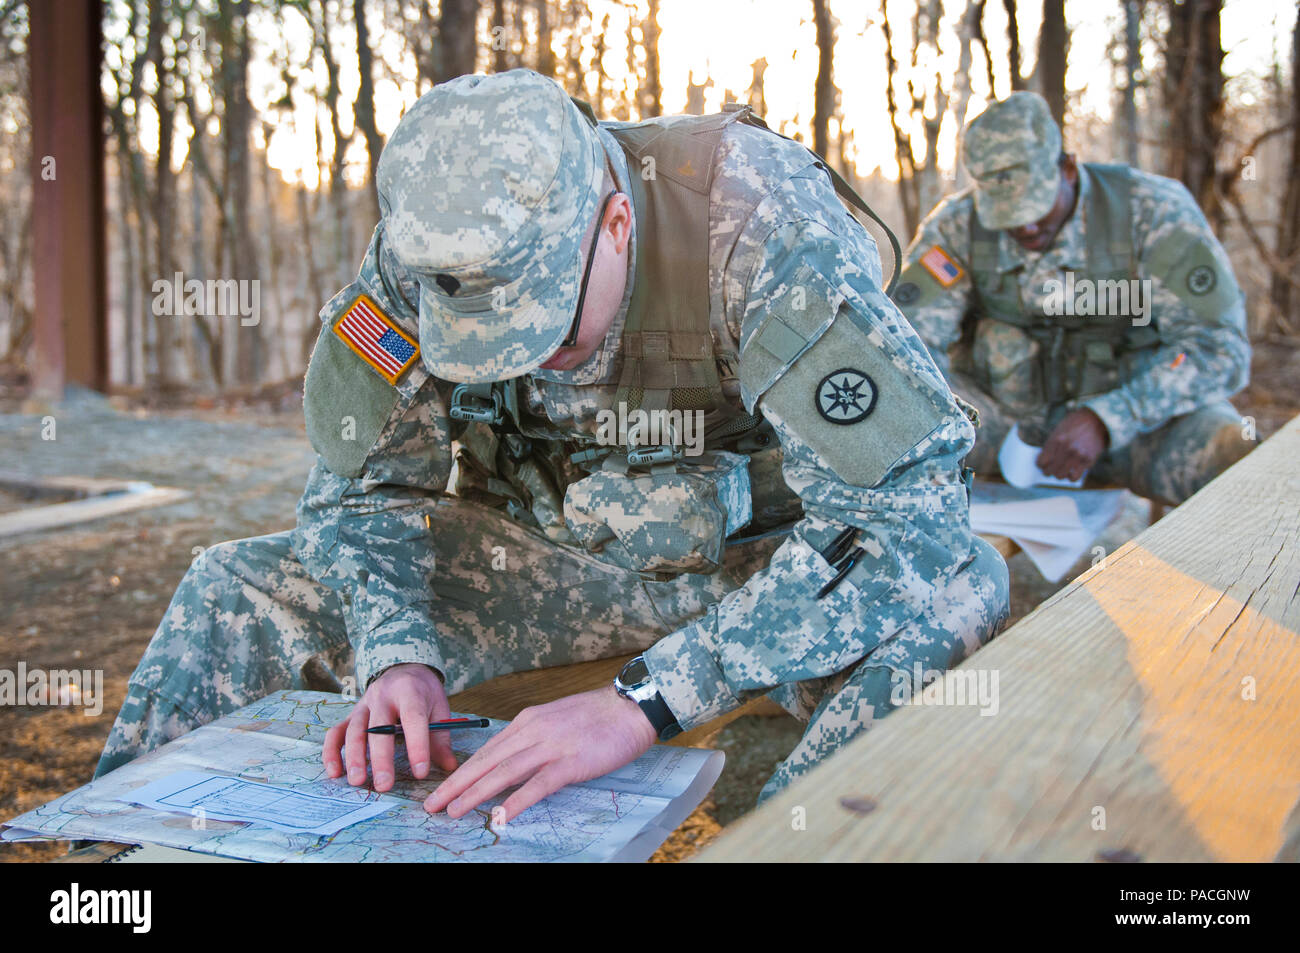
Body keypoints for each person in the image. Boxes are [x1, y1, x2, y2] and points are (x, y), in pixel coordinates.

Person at [95, 70, 1008, 821]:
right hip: (540, 563)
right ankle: (112, 869)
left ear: (616, 226)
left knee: (962, 589)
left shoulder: (758, 216)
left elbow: (903, 516)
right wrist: (396, 650)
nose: (524, 363)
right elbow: (362, 489)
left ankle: (783, 841)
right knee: (236, 589)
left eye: (550, 333)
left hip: (755, 567)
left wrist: (647, 700)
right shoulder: (429, 245)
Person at [891, 92, 1253, 503]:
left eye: (1036, 207)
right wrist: (937, 423)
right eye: (1006, 215)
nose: (1025, 226)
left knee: (1235, 459)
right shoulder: (956, 228)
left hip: (1137, 428)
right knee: (892, 427)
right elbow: (908, 349)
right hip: (999, 427)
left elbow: (1217, 347)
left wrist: (1109, 417)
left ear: (1067, 167)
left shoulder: (1151, 210)